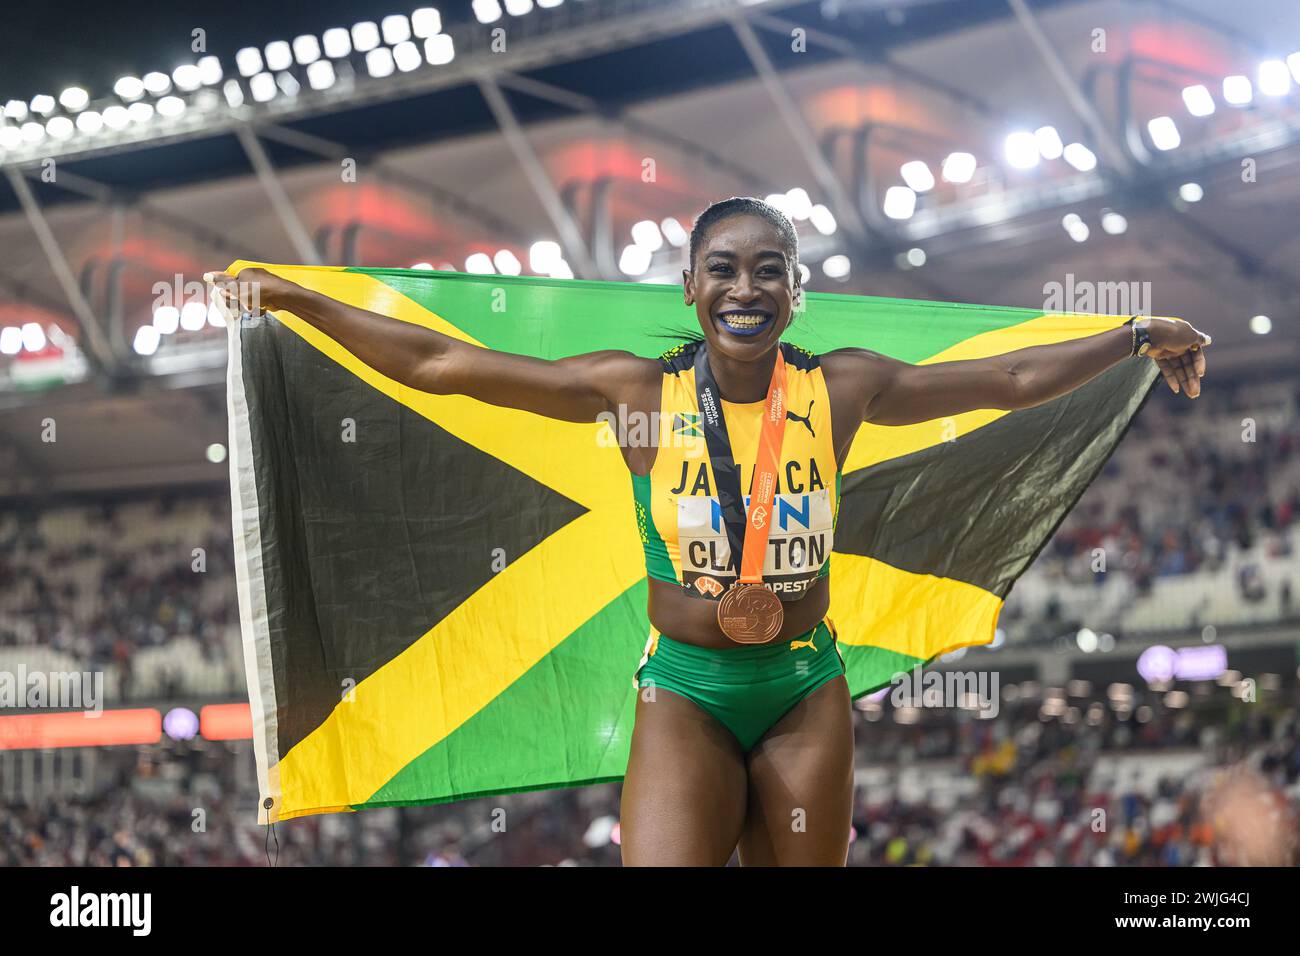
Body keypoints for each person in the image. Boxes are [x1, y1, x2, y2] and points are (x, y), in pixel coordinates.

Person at [207, 195, 1210, 866]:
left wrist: (1129, 335)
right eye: (722, 269)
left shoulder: (841, 387)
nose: (745, 287)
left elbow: (1009, 380)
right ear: (689, 288)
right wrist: (302, 302)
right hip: (685, 690)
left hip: (803, 691)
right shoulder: (634, 393)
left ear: (793, 292)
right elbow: (437, 367)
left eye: (768, 270)